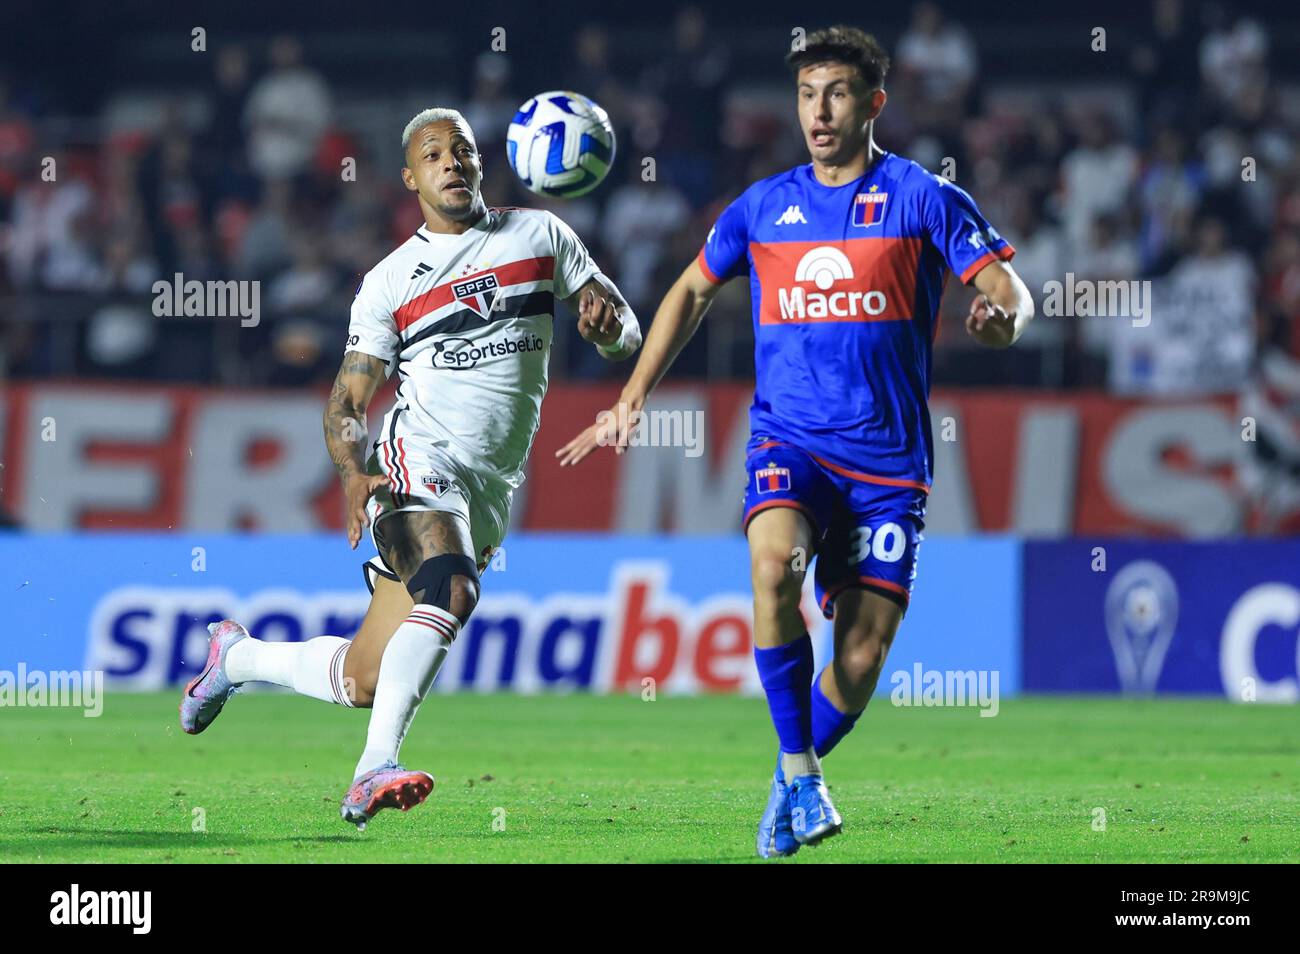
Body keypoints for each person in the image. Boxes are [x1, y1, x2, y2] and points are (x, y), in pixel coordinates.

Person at [556, 25, 1034, 858]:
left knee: (857, 660)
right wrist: (632, 395)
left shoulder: (922, 196)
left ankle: (789, 780)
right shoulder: (762, 207)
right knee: (772, 564)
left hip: (889, 466)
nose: (819, 109)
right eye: (808, 93)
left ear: (874, 104)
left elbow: (1008, 293)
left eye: (838, 93)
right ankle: (804, 777)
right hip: (792, 442)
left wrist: (997, 322)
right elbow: (689, 293)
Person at [180, 107, 641, 829]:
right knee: (452, 588)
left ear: (482, 162)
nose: (451, 161)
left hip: (488, 488)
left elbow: (623, 331)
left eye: (461, 149)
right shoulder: (391, 281)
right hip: (414, 457)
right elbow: (347, 398)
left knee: (364, 678)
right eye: (433, 154)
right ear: (412, 178)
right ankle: (373, 771)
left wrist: (613, 329)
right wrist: (350, 467)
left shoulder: (542, 235)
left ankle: (235, 660)